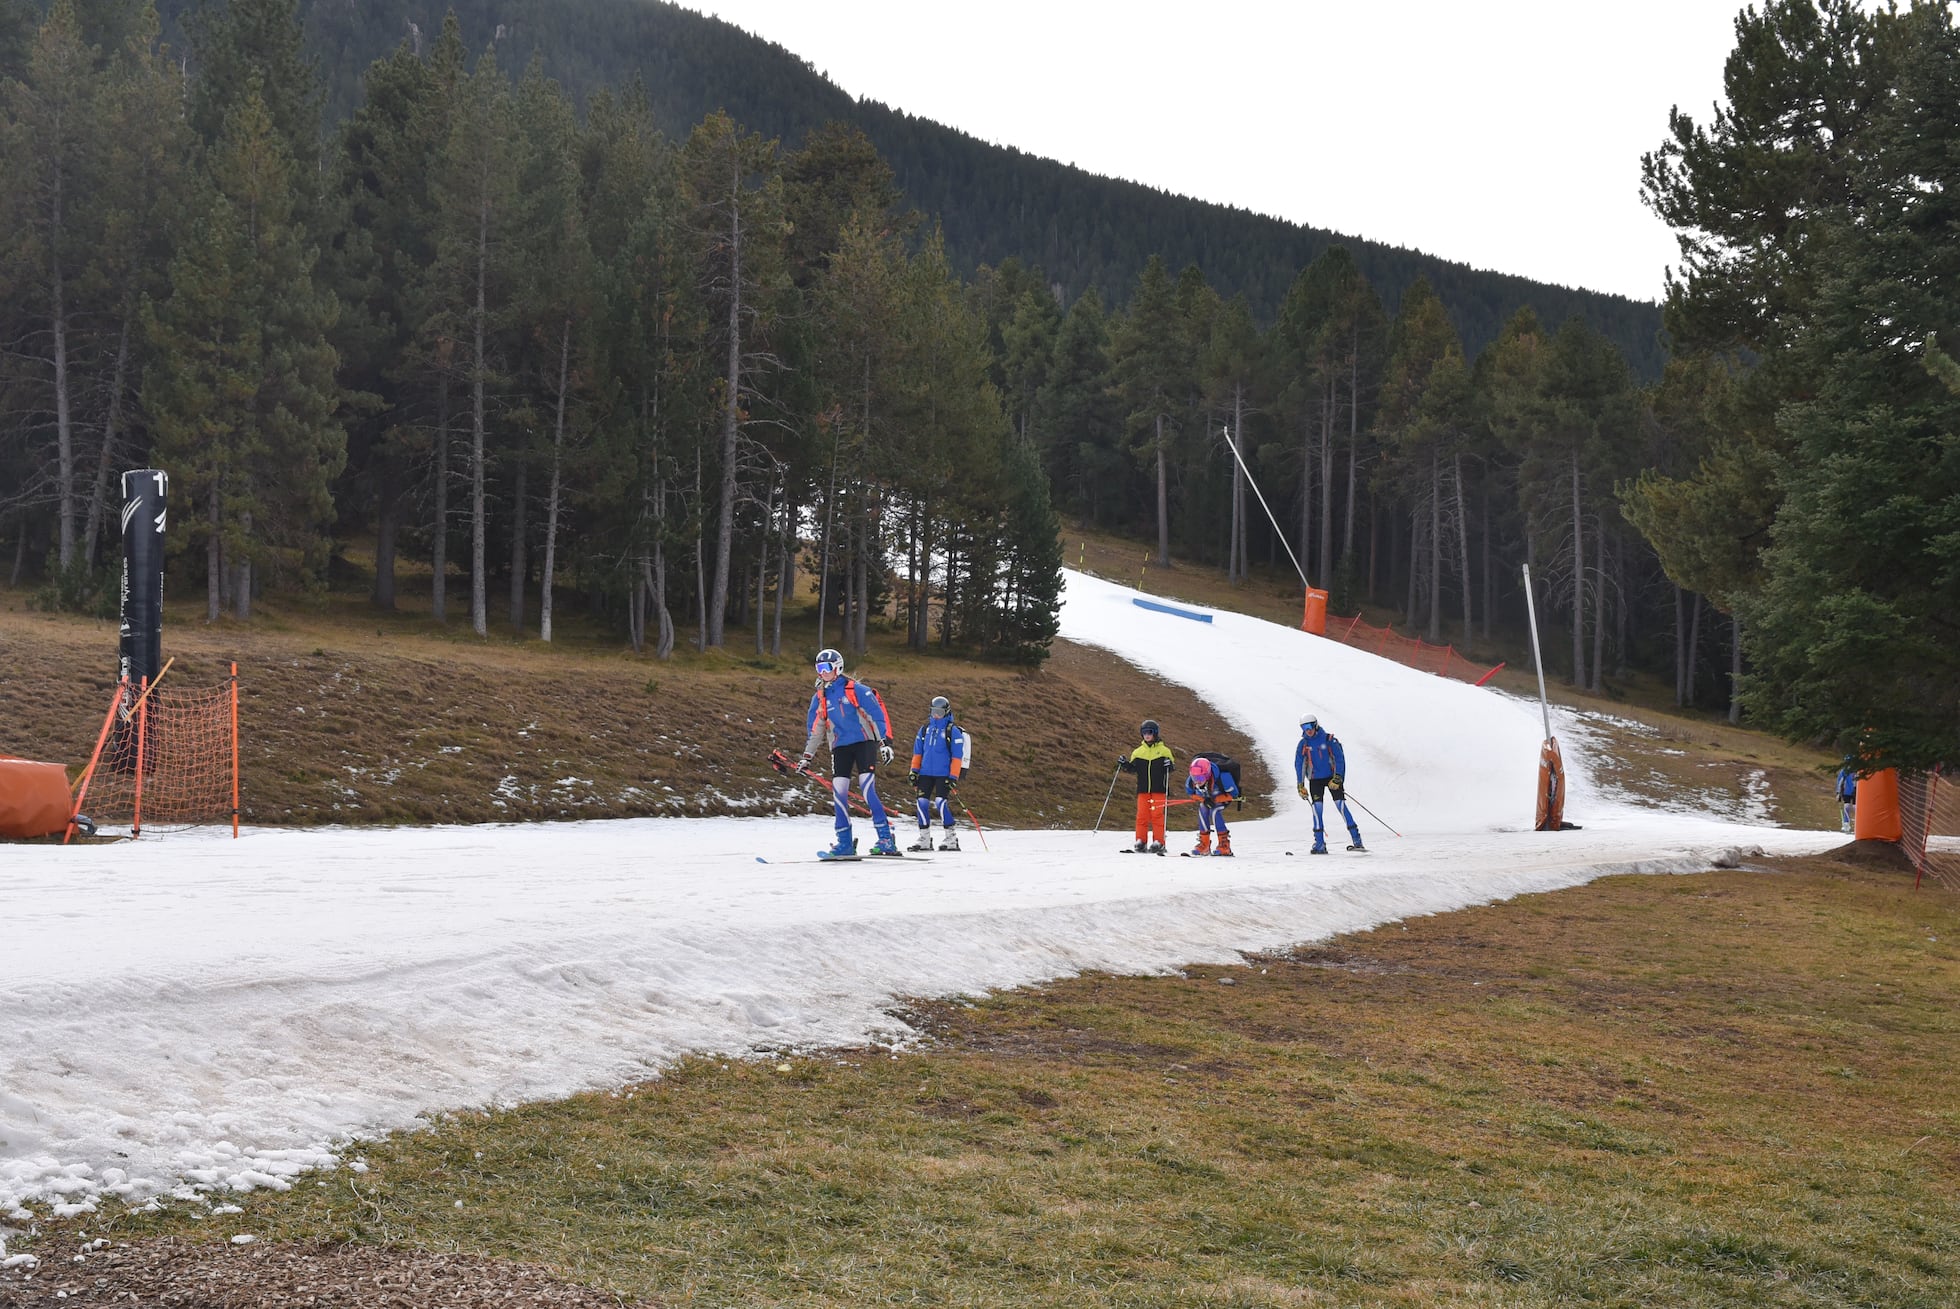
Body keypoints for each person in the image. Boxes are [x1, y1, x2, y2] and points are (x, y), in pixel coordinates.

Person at [799, 648, 901, 858]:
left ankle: (885, 839)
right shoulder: (820, 697)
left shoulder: (856, 690)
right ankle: (844, 841)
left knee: (866, 788)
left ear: (837, 667)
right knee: (839, 791)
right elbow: (816, 729)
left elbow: (877, 715)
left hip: (864, 742)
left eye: (826, 667)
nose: (822, 672)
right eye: (819, 668)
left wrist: (885, 743)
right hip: (840, 746)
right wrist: (807, 756)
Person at [1294, 713, 1364, 854]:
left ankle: (1357, 840)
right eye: (1304, 727)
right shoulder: (1304, 744)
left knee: (1341, 806)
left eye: (1309, 726)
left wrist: (1338, 778)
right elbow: (1299, 764)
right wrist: (1300, 784)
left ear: (1315, 725)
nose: (1307, 730)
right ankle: (1319, 843)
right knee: (1317, 809)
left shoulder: (1329, 740)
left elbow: (1339, 759)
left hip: (1332, 778)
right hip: (1315, 780)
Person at [907, 695, 968, 851]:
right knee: (921, 803)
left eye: (939, 712)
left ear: (946, 712)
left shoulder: (952, 731)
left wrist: (953, 777)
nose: (936, 715)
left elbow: (957, 757)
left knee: (941, 803)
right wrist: (914, 771)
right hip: (926, 772)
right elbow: (918, 752)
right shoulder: (925, 729)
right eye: (933, 711)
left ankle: (951, 838)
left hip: (943, 774)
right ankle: (924, 839)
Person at [1117, 719, 1174, 854]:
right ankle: (1140, 841)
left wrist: (1169, 764)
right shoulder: (1138, 752)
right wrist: (1124, 764)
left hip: (1159, 789)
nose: (1147, 735)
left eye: (1150, 732)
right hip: (1143, 789)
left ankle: (1158, 841)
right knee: (1142, 815)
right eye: (1144, 733)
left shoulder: (1164, 751)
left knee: (1157, 816)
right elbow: (1133, 768)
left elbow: (1171, 767)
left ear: (1155, 733)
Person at [1184, 752, 1242, 856]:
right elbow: (1191, 793)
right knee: (1203, 808)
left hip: (1222, 797)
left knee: (1214, 811)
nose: (1197, 782)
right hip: (1207, 799)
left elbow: (1234, 794)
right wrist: (1204, 800)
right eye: (1194, 778)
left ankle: (1224, 844)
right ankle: (1204, 844)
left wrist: (1216, 799)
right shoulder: (1192, 781)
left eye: (1200, 779)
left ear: (1207, 774)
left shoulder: (1223, 777)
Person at [1836, 758, 1858, 834]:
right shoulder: (1844, 771)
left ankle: (1857, 825)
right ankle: (1846, 824)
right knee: (1847, 807)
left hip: (1856, 792)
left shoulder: (1857, 771)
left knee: (1856, 808)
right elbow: (1840, 781)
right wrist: (1838, 793)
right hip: (1846, 792)